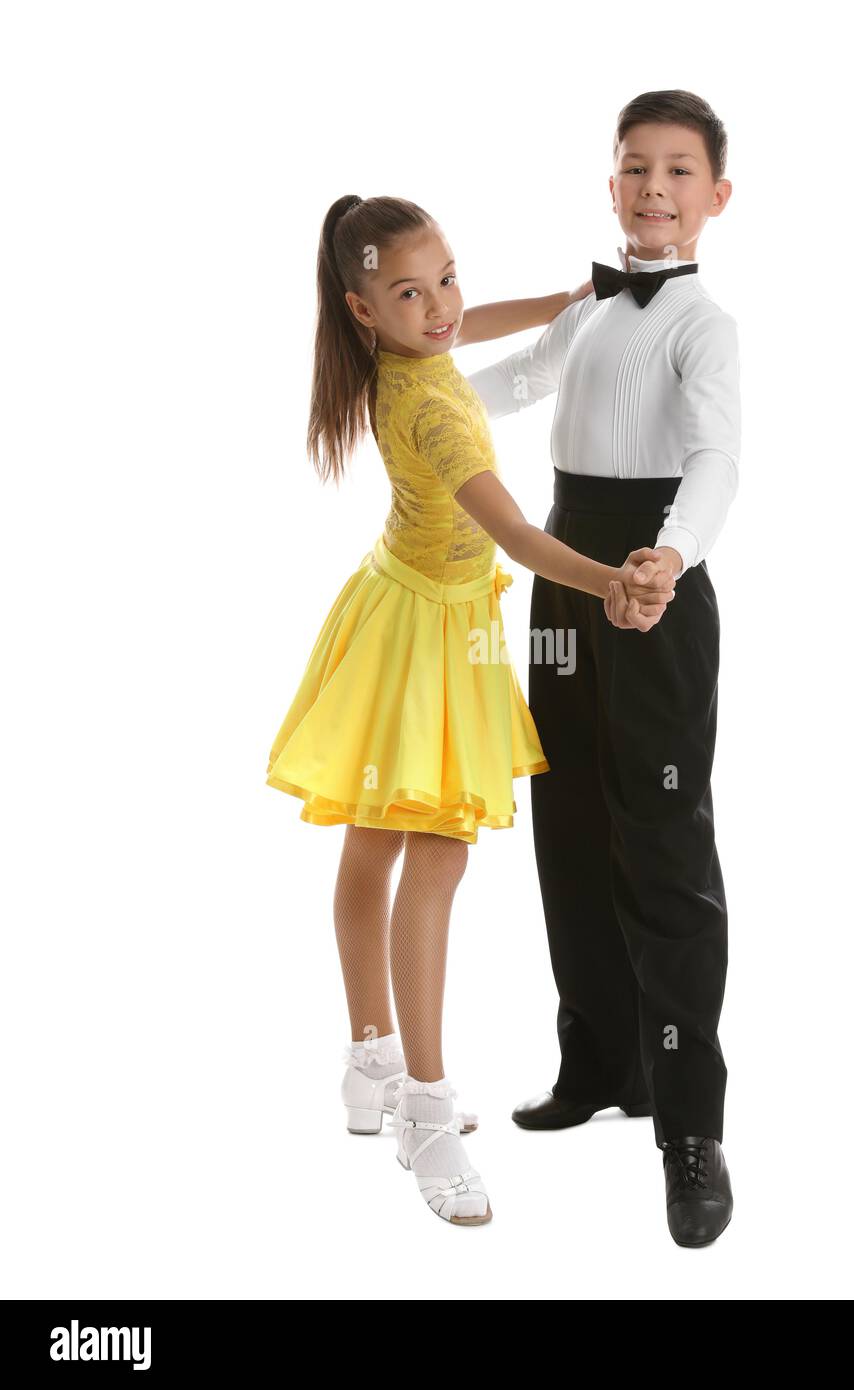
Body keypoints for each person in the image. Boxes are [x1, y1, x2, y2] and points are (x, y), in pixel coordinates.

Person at [265, 194, 675, 1227]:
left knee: (373, 841)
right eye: (411, 293)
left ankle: (371, 1061)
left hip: (404, 604)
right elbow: (520, 538)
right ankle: (424, 1110)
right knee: (433, 854)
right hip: (429, 636)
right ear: (365, 310)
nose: (442, 305)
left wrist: (555, 301)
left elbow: (462, 327)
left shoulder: (397, 349)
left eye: (446, 276)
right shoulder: (433, 413)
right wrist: (608, 583)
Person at [465, 89, 741, 1247]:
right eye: (636, 168)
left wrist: (668, 556)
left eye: (679, 171)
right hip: (562, 580)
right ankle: (600, 1066)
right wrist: (407, 407)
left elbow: (720, 455)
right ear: (611, 181)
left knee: (663, 853)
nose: (655, 189)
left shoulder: (702, 324)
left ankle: (690, 1128)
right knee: (566, 822)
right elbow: (509, 386)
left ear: (715, 197)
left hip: (651, 586)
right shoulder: (587, 311)